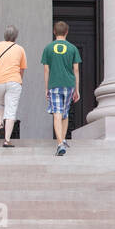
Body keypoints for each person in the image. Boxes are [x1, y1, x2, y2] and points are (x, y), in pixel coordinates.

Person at [41, 21, 80, 156]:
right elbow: (76, 69)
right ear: (67, 32)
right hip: (69, 84)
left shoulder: (48, 48)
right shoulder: (73, 48)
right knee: (65, 113)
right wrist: (77, 89)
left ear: (54, 32)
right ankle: (63, 139)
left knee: (57, 113)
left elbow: (46, 70)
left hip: (54, 84)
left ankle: (59, 144)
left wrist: (46, 88)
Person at [0, 25, 27, 148]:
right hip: (13, 81)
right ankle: (7, 140)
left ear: (5, 35)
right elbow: (22, 69)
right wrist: (19, 80)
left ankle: (0, 124)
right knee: (11, 110)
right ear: (16, 36)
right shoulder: (20, 49)